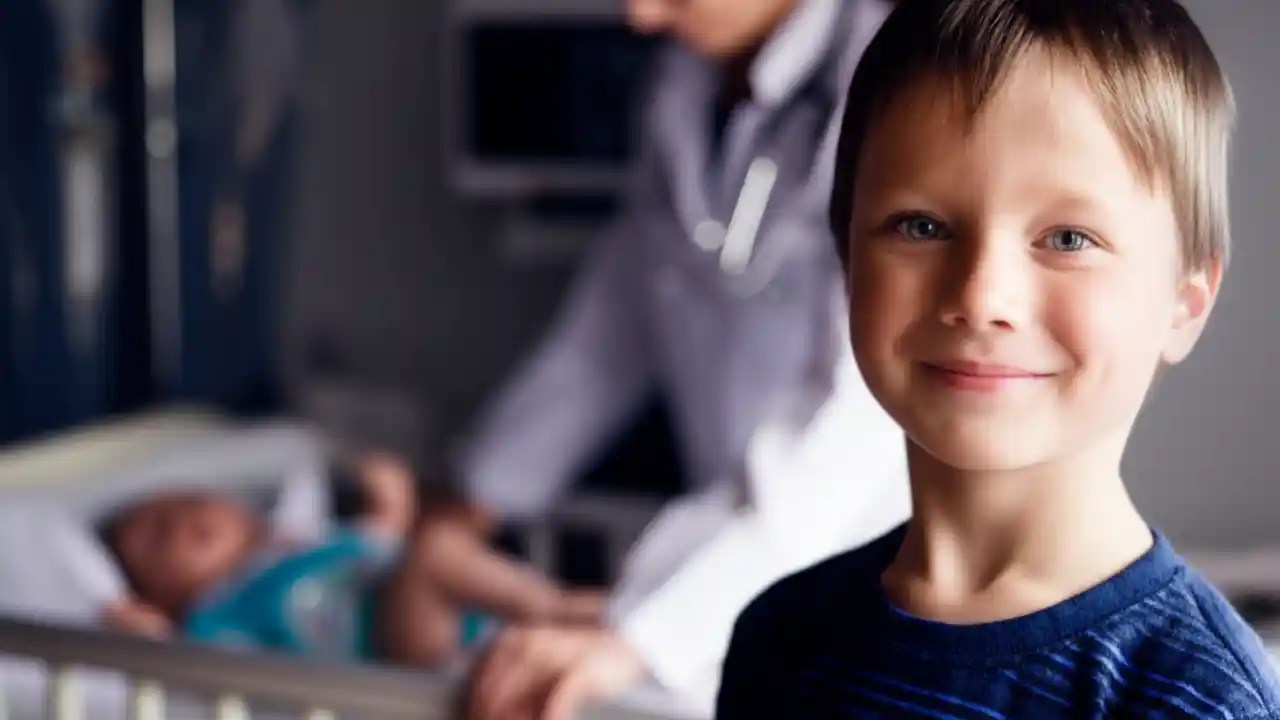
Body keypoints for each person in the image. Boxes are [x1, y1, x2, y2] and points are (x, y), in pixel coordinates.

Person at [717, 0, 1280, 716]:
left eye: (1069, 239)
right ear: (846, 259)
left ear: (1185, 301)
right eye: (922, 226)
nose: (981, 296)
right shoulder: (781, 637)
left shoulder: (1195, 695)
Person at [456, 0, 910, 716]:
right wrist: (475, 498)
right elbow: (614, 326)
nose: (640, 16)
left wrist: (648, 633)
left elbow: (863, 418)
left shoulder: (908, 78)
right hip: (732, 566)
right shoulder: (682, 86)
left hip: (863, 564)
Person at [103, 453, 602, 664]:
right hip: (390, 652)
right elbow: (197, 668)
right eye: (160, 539)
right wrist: (152, 637)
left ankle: (561, 616)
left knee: (437, 544)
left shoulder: (304, 539)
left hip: (450, 614)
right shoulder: (216, 611)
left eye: (190, 504)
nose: (184, 523)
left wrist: (389, 502)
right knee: (434, 549)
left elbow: (373, 544)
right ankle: (558, 606)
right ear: (159, 594)